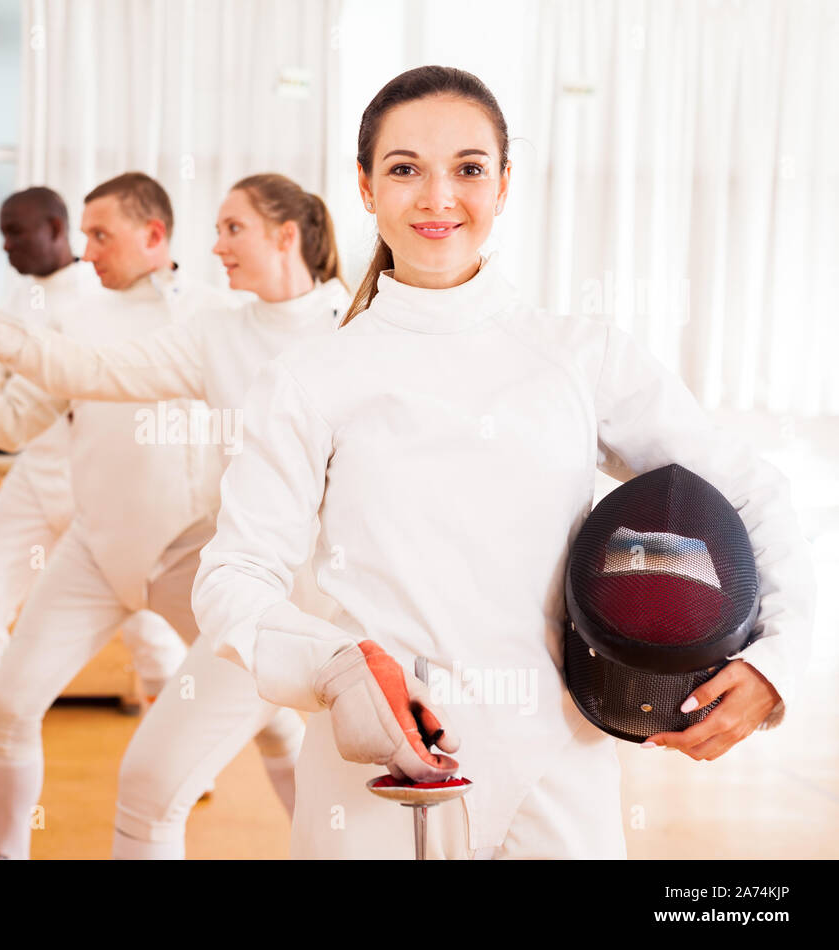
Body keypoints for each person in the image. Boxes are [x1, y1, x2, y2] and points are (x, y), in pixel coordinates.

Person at [191, 65, 816, 859]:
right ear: (364, 185)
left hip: (559, 770)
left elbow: (752, 494)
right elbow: (233, 578)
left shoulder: (581, 356)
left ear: (505, 184)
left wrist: (777, 665)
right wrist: (339, 668)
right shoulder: (309, 379)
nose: (438, 197)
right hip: (380, 775)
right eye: (405, 168)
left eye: (469, 169)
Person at [0, 173, 349, 858]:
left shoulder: (347, 329)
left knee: (295, 759)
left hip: (286, 597)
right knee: (138, 783)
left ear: (285, 235)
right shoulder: (217, 332)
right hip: (182, 574)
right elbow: (81, 370)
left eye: (232, 229)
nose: (216, 246)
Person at [0, 187, 182, 783]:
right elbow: (6, 417)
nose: (4, 245)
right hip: (34, 478)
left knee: (151, 637)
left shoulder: (123, 309)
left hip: (101, 491)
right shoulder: (29, 301)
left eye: (16, 232)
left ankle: (184, 768)